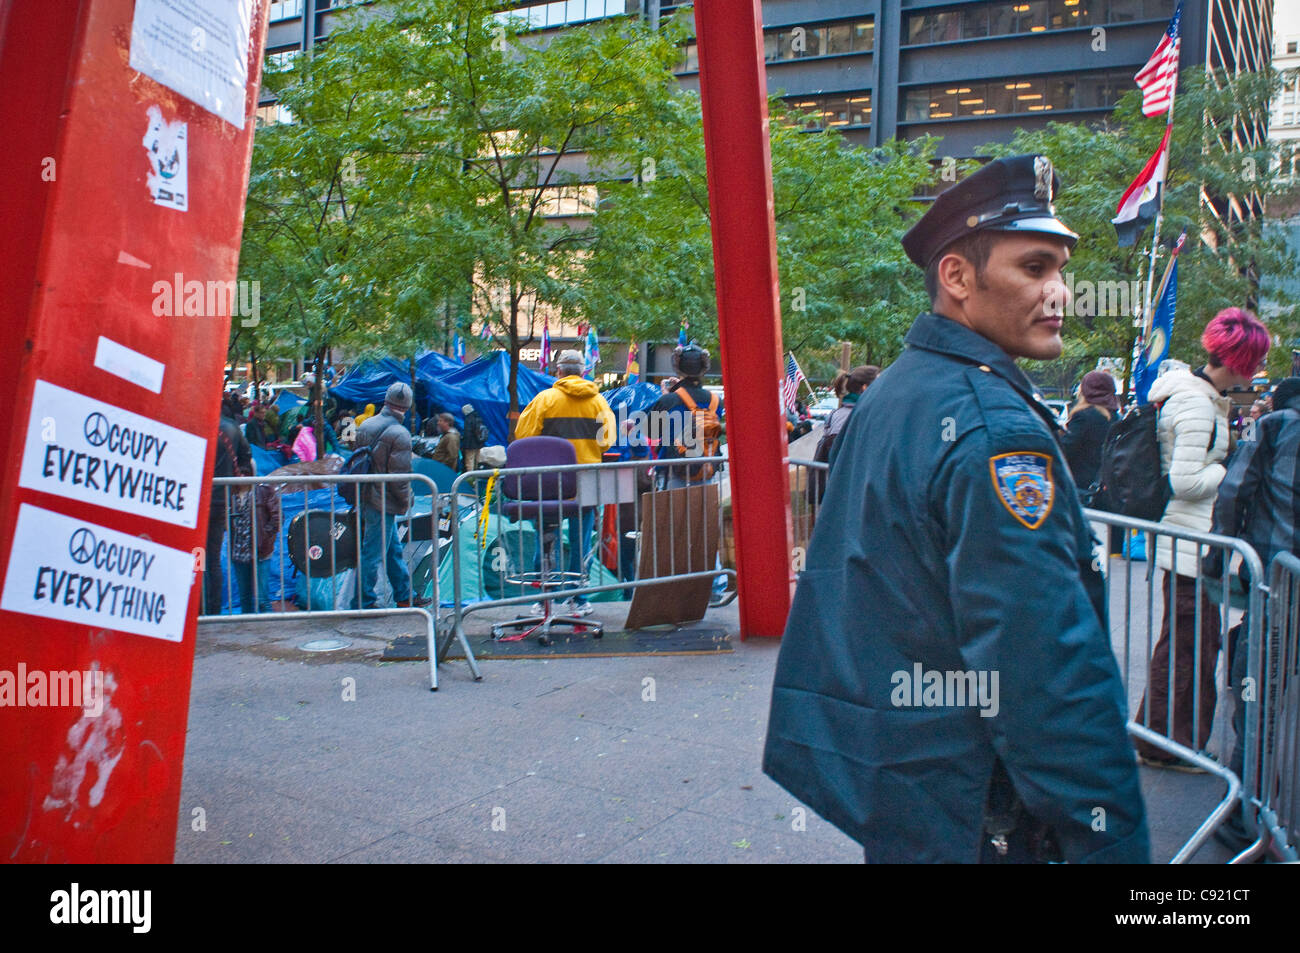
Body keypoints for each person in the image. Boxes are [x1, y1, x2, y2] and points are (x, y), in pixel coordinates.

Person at [763, 154, 1148, 863]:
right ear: (958, 278)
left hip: (914, 784)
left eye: (1061, 269)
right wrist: (1112, 833)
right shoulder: (993, 428)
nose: (1060, 291)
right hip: (975, 801)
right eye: (1035, 267)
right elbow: (1044, 669)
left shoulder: (902, 386)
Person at [1134, 308, 1270, 769]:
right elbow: (1185, 480)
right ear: (1238, 360)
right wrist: (1231, 469)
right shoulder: (1195, 402)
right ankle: (1169, 744)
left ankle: (1164, 739)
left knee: (1187, 644)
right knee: (1188, 647)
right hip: (1189, 542)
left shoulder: (1197, 397)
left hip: (1192, 542)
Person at [1205, 376, 1300, 848]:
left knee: (1257, 698)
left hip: (1279, 588)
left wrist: (1219, 557)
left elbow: (1234, 491)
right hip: (1280, 582)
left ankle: (1249, 816)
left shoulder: (1277, 426)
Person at [514, 349, 616, 617]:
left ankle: (544, 600)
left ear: (558, 371)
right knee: (581, 541)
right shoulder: (599, 402)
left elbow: (523, 434)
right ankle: (578, 600)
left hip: (549, 484)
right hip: (586, 481)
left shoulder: (544, 399)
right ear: (583, 372)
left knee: (546, 540)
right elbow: (607, 442)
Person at [353, 382, 429, 609]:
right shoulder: (400, 434)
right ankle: (362, 602)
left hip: (366, 495)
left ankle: (404, 595)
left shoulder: (366, 424)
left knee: (392, 550)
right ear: (406, 406)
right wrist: (408, 501)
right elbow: (400, 476)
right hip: (383, 500)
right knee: (373, 553)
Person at [647, 344, 724, 489]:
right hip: (706, 470)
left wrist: (668, 396)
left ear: (678, 367)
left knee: (672, 511)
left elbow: (651, 431)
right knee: (703, 511)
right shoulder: (716, 401)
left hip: (673, 472)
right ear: (704, 368)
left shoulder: (668, 400)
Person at [206, 392, 253, 615]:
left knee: (197, 556)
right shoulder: (232, 428)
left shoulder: (195, 425)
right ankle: (212, 608)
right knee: (212, 558)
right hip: (220, 503)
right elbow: (246, 458)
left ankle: (200, 607)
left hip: (196, 503)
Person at [811, 364, 879, 501]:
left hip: (835, 488)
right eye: (879, 383)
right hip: (854, 491)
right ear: (865, 387)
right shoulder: (865, 415)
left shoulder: (836, 414)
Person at [1058, 370, 1118, 500]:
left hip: (1078, 486)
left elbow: (1064, 450)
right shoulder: (1114, 416)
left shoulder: (1084, 416)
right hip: (1101, 485)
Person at [229, 482, 281, 614]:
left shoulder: (264, 491)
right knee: (245, 599)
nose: (241, 476)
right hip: (238, 552)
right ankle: (247, 630)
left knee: (262, 599)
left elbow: (278, 518)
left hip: (261, 551)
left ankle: (270, 631)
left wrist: (265, 536)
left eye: (245, 471)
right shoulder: (230, 492)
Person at [461, 403, 487, 473]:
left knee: (469, 460)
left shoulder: (468, 419)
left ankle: (470, 475)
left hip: (470, 444)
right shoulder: (478, 417)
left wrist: (465, 445)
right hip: (479, 442)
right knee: (477, 459)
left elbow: (468, 433)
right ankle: (477, 473)